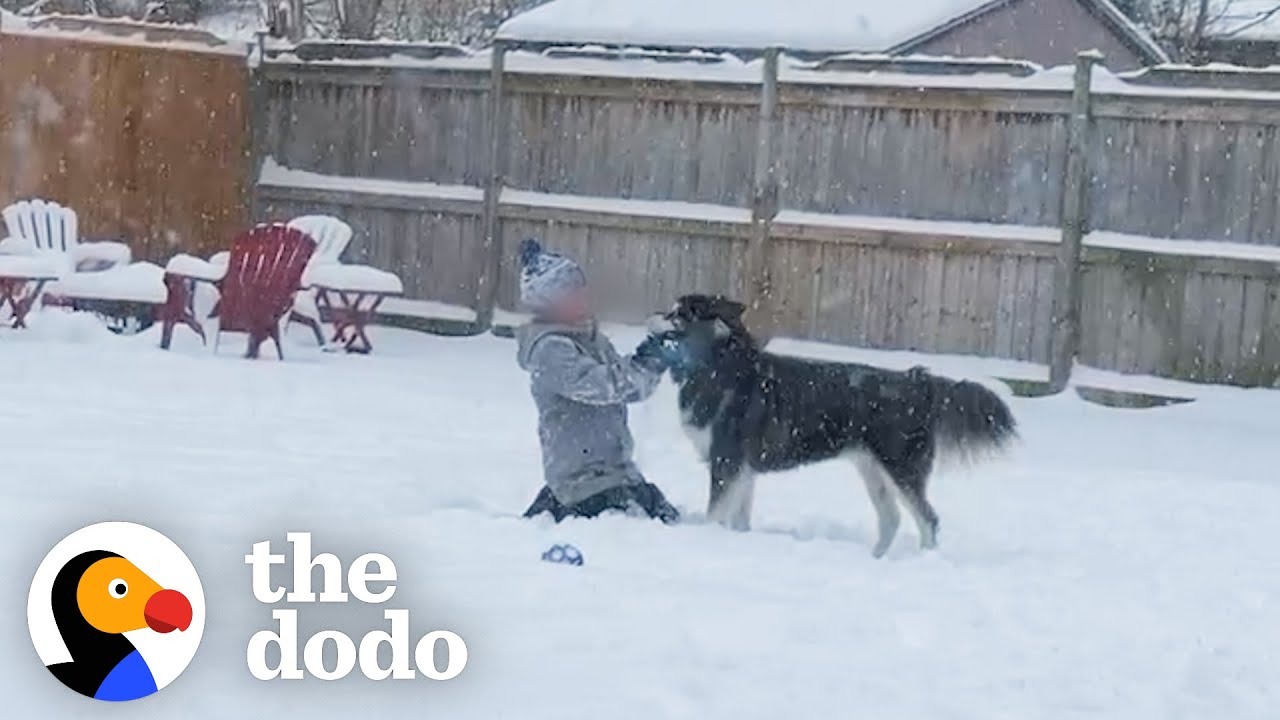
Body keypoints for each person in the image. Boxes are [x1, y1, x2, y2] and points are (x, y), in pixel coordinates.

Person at [514, 238, 680, 523]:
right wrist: (652, 358)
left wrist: (656, 352)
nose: (582, 296)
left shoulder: (592, 339)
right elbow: (606, 387)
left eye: (581, 288)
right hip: (583, 483)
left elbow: (627, 381)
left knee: (666, 518)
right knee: (640, 533)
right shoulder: (550, 350)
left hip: (615, 472)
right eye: (570, 292)